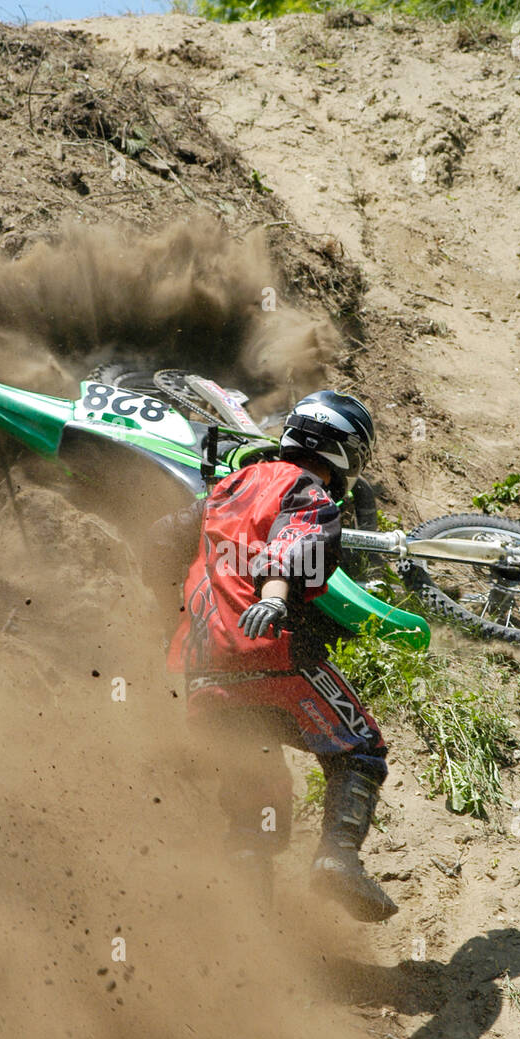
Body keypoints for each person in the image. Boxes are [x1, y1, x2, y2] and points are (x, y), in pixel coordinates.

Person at [142, 390, 397, 922]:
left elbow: (158, 540)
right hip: (273, 652)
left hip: (204, 669)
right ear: (343, 450)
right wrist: (276, 597)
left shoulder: (225, 490)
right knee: (360, 750)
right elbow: (295, 540)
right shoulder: (307, 489)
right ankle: (338, 860)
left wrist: (179, 615)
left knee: (254, 807)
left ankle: (248, 928)